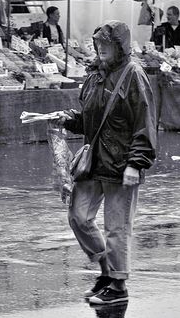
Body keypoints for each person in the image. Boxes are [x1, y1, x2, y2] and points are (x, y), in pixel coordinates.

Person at [53, 21, 156, 305]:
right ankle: (106, 270)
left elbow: (144, 123)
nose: (100, 49)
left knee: (117, 227)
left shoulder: (133, 74)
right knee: (78, 217)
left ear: (119, 46)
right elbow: (91, 117)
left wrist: (136, 163)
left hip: (122, 164)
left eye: (106, 45)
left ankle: (118, 285)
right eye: (98, 44)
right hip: (93, 159)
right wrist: (68, 119)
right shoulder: (95, 74)